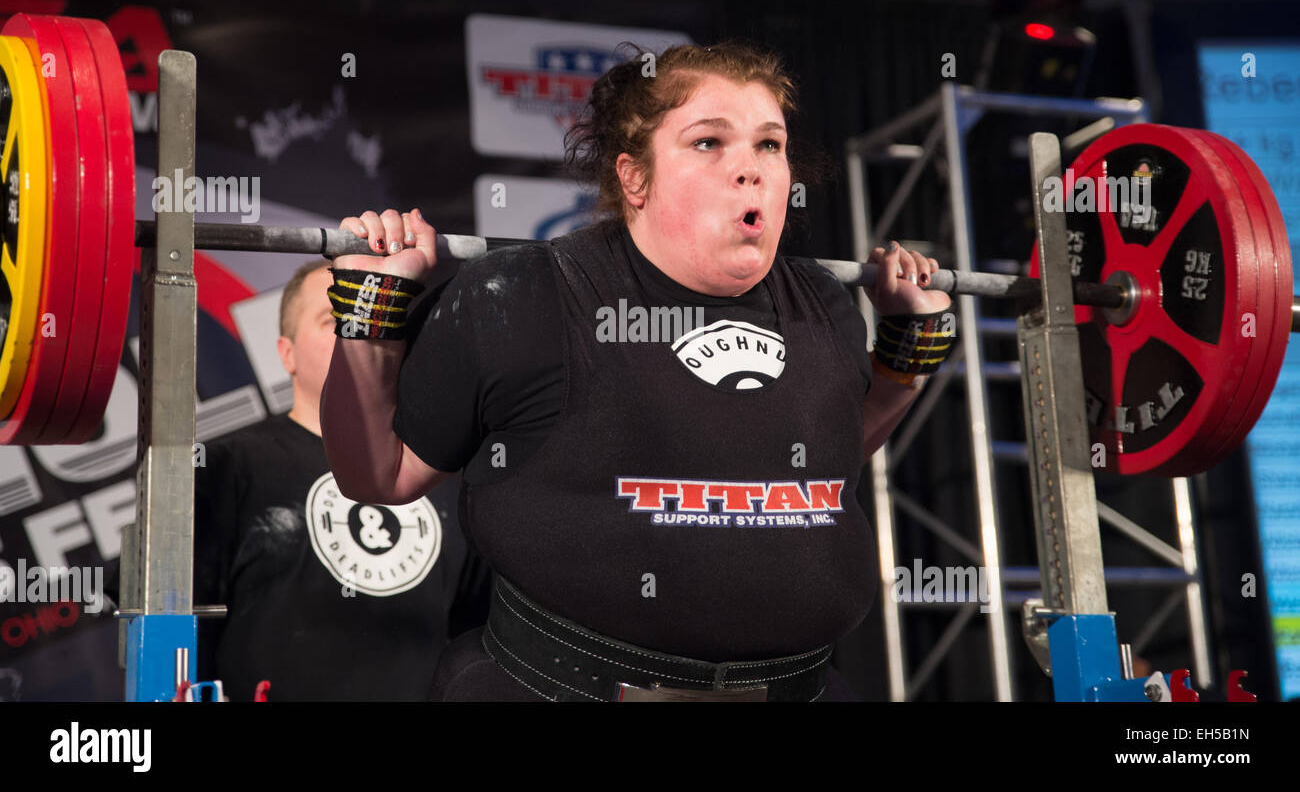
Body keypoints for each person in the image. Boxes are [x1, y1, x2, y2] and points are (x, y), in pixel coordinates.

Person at [321, 42, 952, 701]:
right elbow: (379, 474)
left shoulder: (821, 300)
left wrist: (911, 347)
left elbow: (831, 455)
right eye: (709, 142)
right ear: (635, 177)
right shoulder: (524, 294)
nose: (751, 170)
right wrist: (370, 311)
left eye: (769, 144)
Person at [190, 260, 489, 700]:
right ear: (285, 353)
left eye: (370, 317)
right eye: (335, 319)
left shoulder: (446, 470)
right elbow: (173, 620)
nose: (356, 331)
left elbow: (479, 640)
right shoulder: (225, 467)